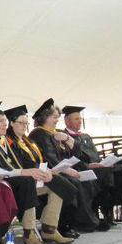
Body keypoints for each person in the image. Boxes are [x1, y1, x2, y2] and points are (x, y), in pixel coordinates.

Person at [0, 103, 71, 244]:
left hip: (17, 179)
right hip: (1, 182)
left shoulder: (5, 141)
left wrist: (40, 172)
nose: (5, 124)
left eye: (5, 120)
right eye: (1, 120)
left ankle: (49, 228)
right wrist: (27, 172)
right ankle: (29, 232)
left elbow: (20, 164)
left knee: (54, 183)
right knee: (27, 182)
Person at [5, 105, 76, 243]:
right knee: (37, 184)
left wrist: (48, 171)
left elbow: (41, 159)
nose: (24, 126)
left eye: (26, 123)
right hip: (20, 182)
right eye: (21, 123)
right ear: (12, 123)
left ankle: (49, 229)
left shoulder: (28, 141)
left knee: (58, 187)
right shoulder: (9, 142)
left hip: (37, 177)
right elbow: (20, 164)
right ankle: (29, 233)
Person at [28, 99, 99, 235]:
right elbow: (50, 159)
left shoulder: (56, 132)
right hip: (49, 172)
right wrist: (67, 170)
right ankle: (63, 225)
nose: (57, 120)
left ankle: (81, 221)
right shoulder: (39, 134)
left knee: (88, 181)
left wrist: (67, 139)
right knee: (72, 182)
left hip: (63, 169)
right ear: (45, 117)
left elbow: (77, 154)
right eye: (54, 117)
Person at [62, 105, 122, 231]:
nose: (80, 121)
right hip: (81, 169)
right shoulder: (64, 138)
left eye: (80, 118)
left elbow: (95, 155)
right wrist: (89, 165)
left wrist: (104, 162)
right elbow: (67, 159)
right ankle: (105, 209)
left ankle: (110, 205)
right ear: (67, 121)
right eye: (76, 119)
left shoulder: (85, 136)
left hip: (98, 167)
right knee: (107, 177)